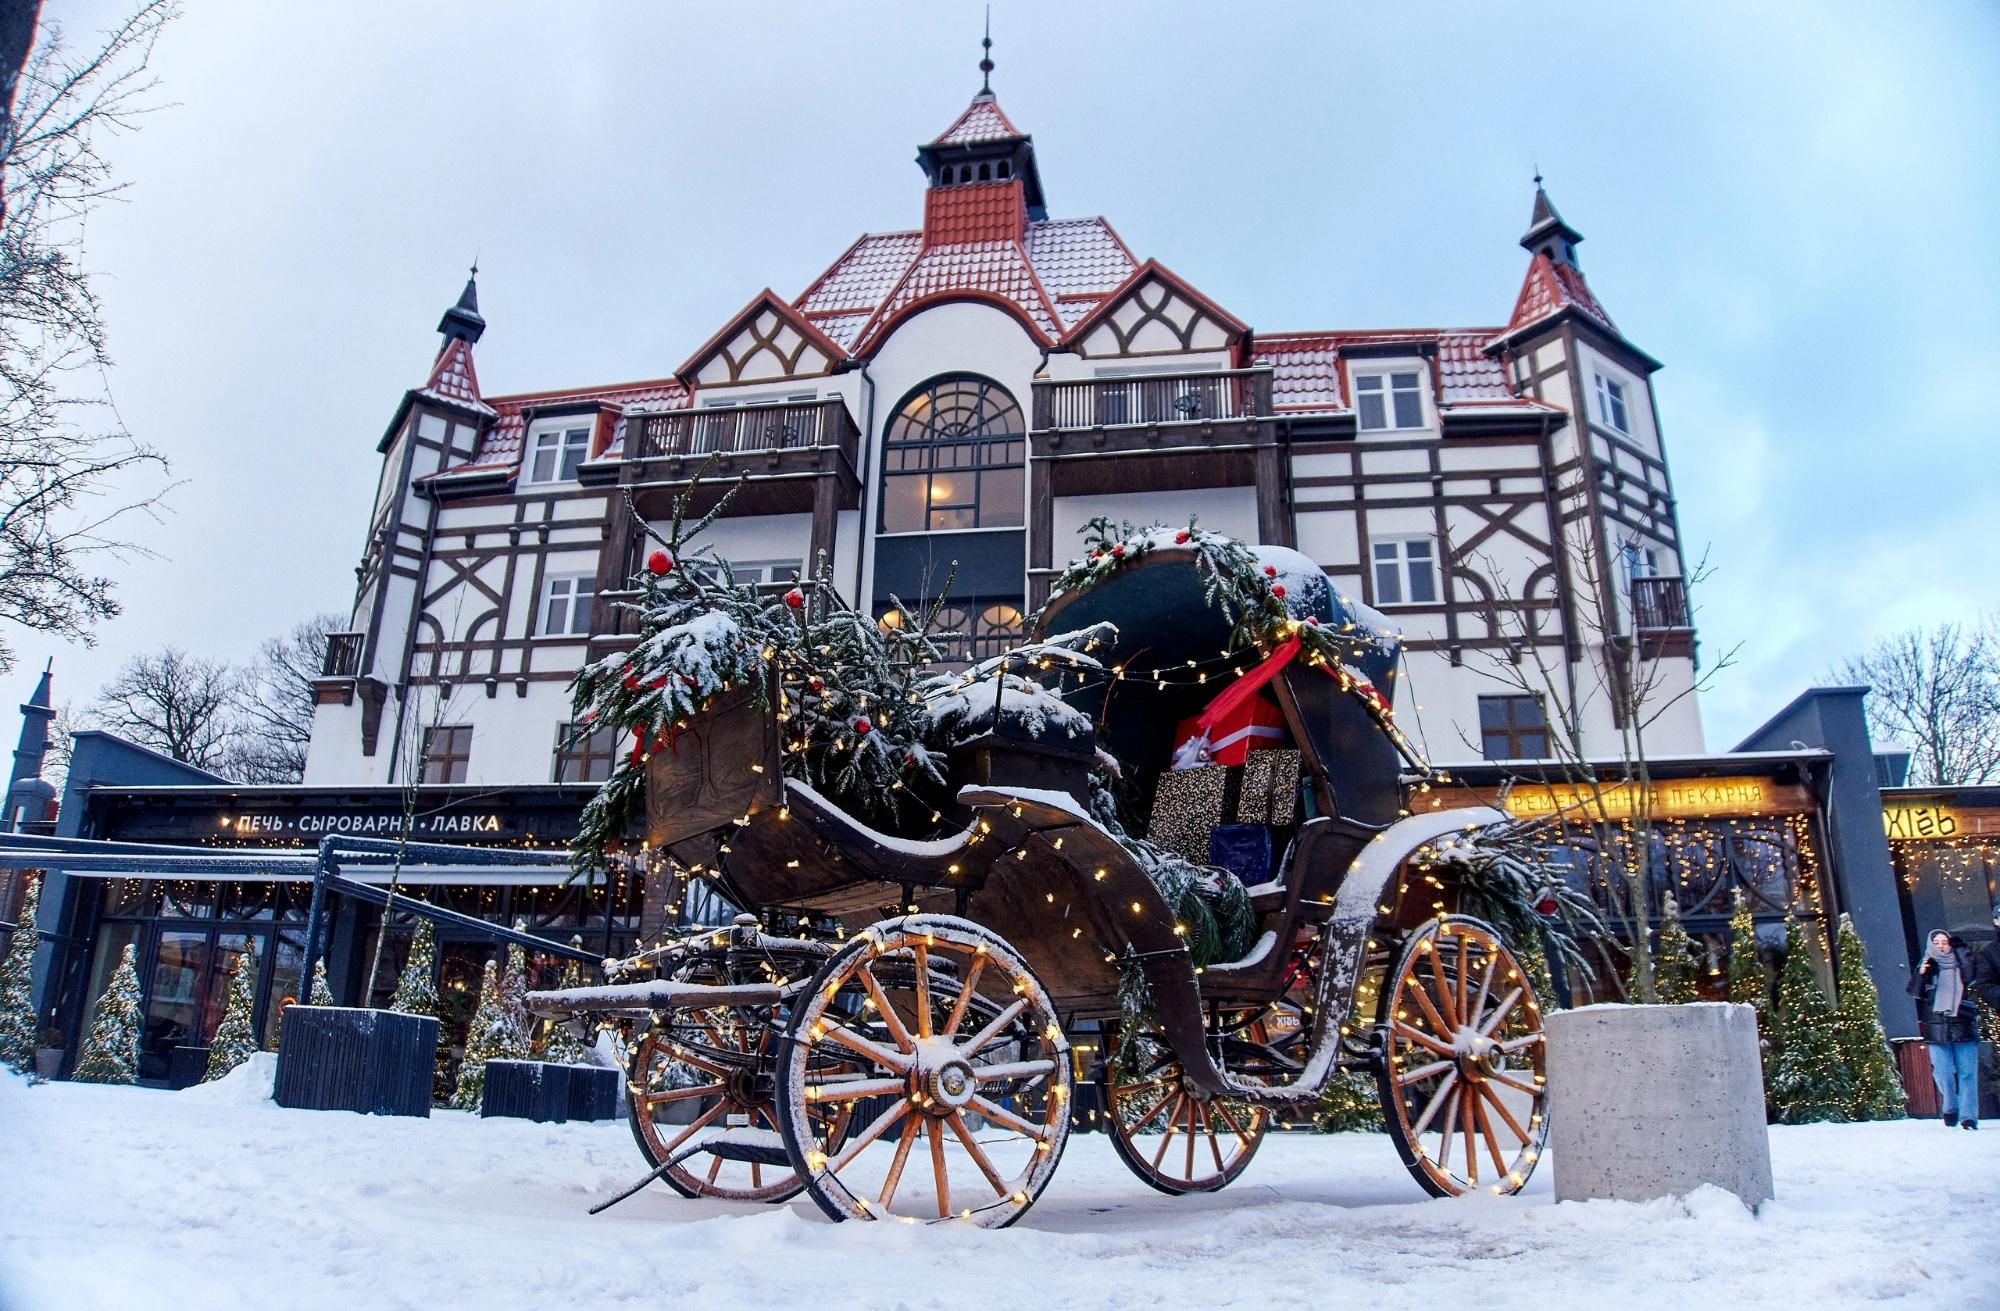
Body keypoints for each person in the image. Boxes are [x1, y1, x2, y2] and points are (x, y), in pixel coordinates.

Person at [1909, 928, 1981, 1129]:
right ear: (1931, 944)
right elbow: (1914, 991)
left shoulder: (1961, 963)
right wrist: (1922, 974)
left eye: (1945, 942)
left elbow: (1970, 974)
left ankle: (1968, 1117)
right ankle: (1950, 1104)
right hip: (1936, 1028)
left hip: (1962, 1025)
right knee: (1942, 1072)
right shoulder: (1927, 964)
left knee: (1967, 1073)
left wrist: (1962, 951)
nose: (1941, 945)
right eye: (1937, 942)